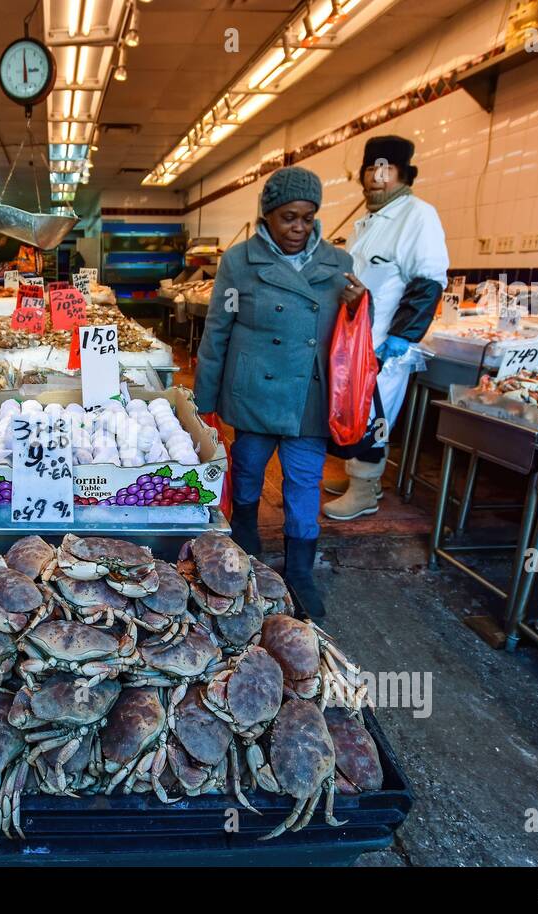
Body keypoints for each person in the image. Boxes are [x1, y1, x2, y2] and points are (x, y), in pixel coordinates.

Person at [194, 165, 367, 620]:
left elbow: (350, 338)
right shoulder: (238, 262)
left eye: (307, 218)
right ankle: (246, 547)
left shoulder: (338, 265)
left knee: (304, 483)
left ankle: (300, 572)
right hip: (253, 392)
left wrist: (357, 307)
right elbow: (218, 331)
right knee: (248, 474)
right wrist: (202, 405)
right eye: (289, 216)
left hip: (309, 396)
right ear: (267, 214)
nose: (298, 227)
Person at [323, 135, 448, 521]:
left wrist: (401, 337)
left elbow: (428, 280)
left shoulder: (418, 215)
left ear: (403, 175)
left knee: (374, 413)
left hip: (385, 344)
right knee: (354, 410)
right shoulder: (370, 220)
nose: (376, 178)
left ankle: (364, 491)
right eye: (370, 169)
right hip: (355, 340)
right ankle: (362, 479)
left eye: (386, 169)